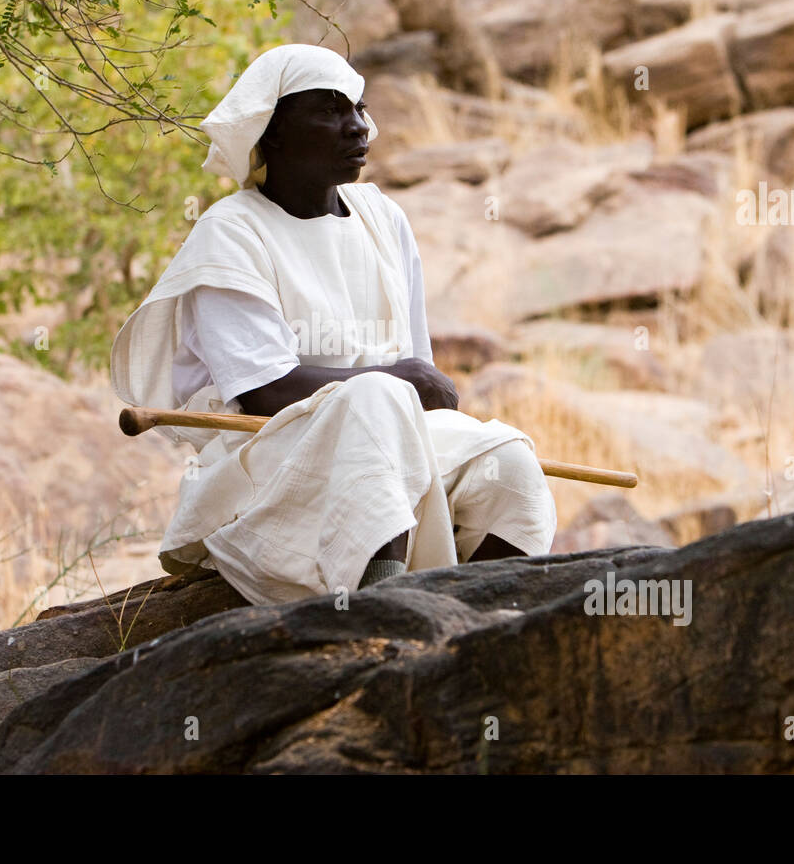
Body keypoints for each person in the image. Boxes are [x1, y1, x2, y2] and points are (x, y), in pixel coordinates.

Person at [110, 43, 557, 606]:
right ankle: (384, 611)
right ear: (270, 133)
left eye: (358, 109)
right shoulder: (230, 232)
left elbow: (418, 375)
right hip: (275, 455)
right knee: (374, 398)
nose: (357, 128)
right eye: (329, 110)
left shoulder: (383, 217)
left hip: (391, 436)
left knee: (508, 459)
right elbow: (263, 390)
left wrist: (403, 389)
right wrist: (395, 383)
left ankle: (474, 623)